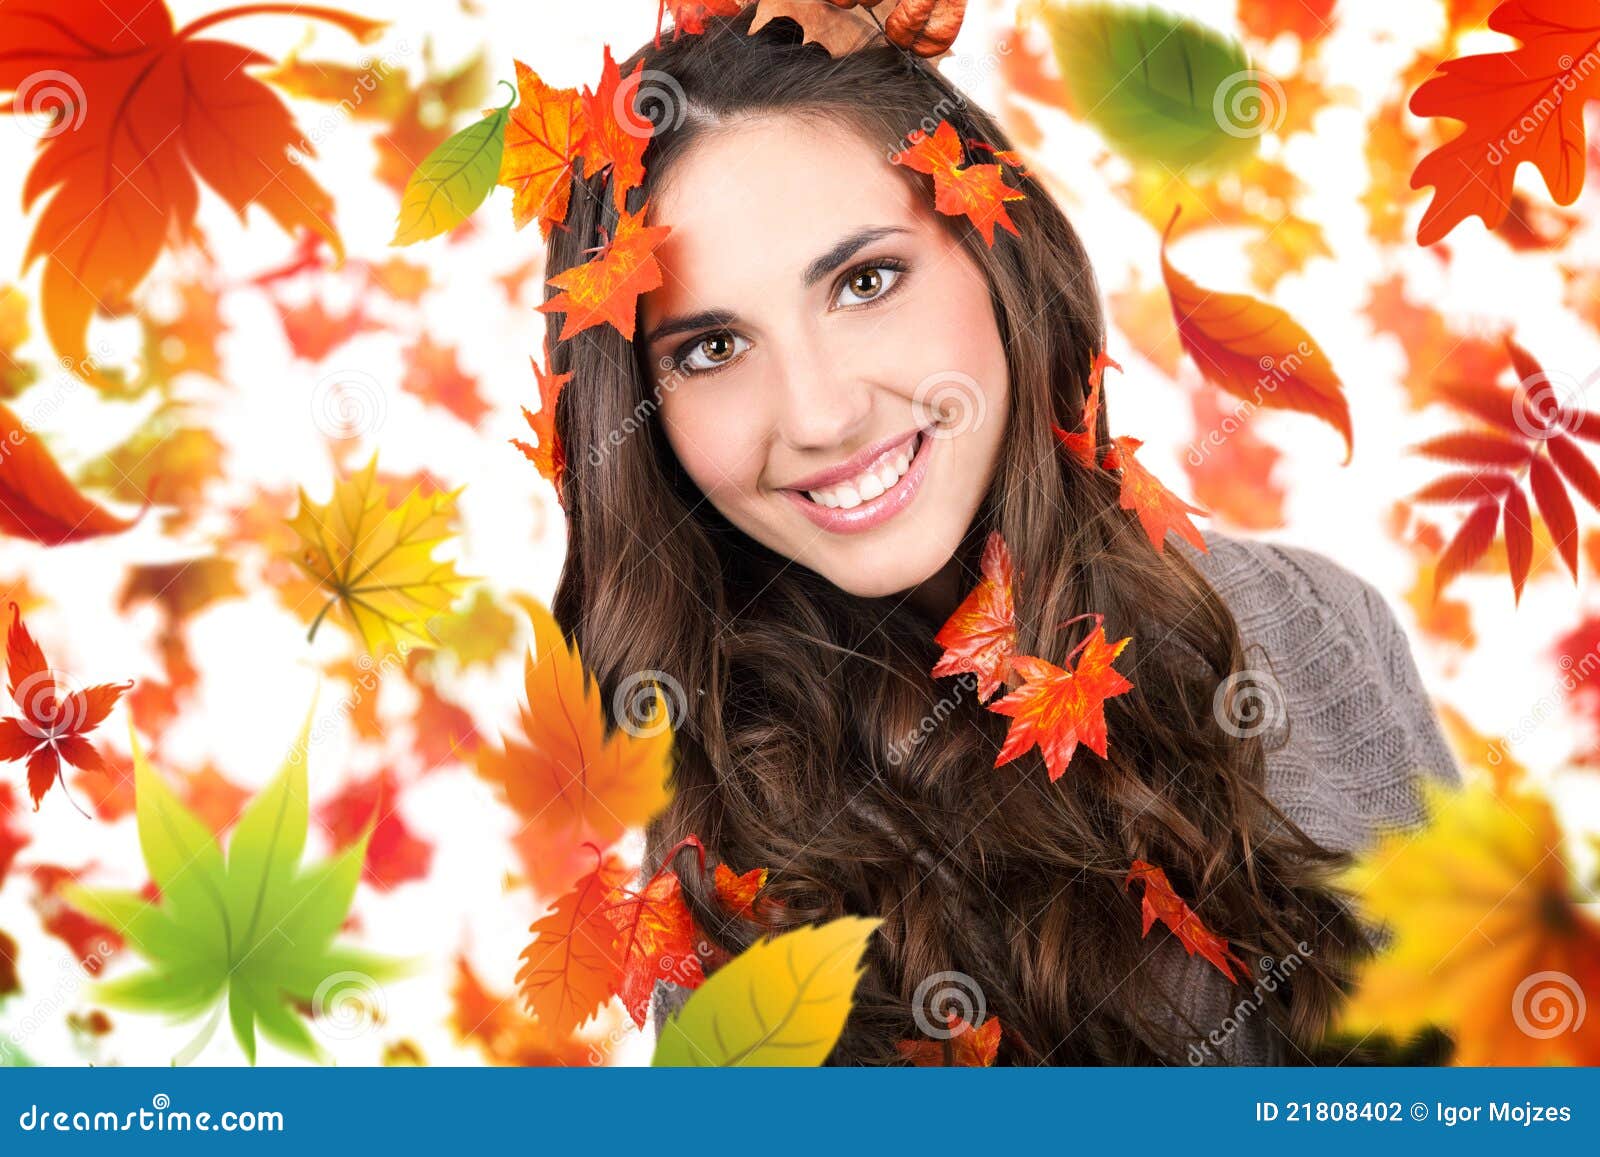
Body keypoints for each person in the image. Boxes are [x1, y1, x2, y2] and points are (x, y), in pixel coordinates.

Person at [539, 7, 1462, 1064]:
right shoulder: (727, 864)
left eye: (865, 281)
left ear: (998, 256)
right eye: (709, 347)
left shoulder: (1302, 622)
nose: (820, 416)